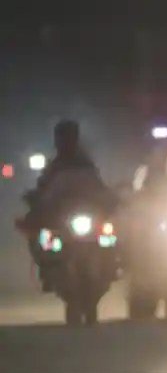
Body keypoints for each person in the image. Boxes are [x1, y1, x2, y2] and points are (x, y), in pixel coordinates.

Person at [17, 120, 114, 291]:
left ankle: (111, 266)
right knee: (38, 231)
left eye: (69, 135)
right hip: (61, 214)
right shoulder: (54, 165)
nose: (65, 140)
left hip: (87, 212)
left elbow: (97, 185)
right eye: (62, 136)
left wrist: (110, 198)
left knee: (110, 232)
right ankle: (46, 267)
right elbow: (43, 187)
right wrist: (34, 197)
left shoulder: (86, 163)